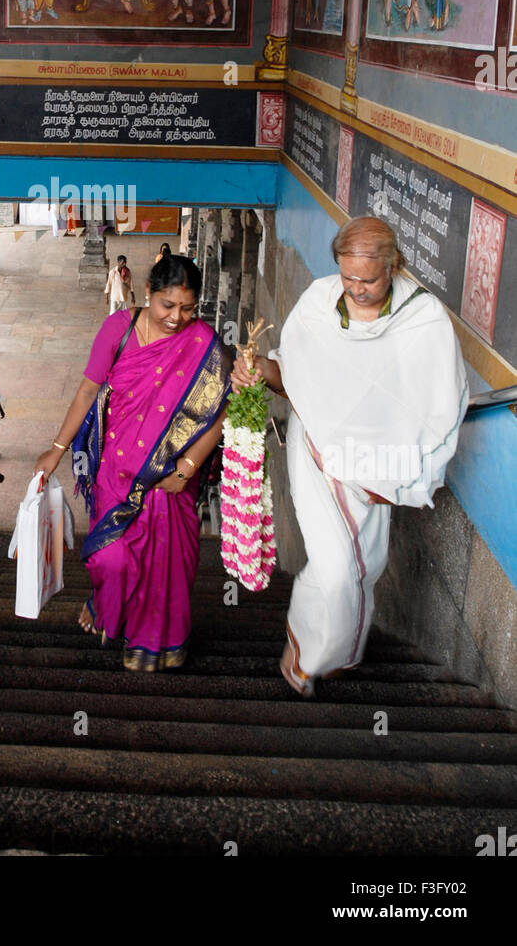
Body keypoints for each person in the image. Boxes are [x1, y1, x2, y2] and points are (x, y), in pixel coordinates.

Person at [230, 217, 468, 697]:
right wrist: (255, 370)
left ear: (394, 266)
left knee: (366, 565)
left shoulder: (424, 321)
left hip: (379, 466)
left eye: (369, 279)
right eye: (349, 277)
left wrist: (409, 474)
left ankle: (343, 653)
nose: (357, 289)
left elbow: (444, 407)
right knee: (338, 567)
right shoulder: (319, 303)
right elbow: (288, 375)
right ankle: (309, 655)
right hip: (316, 451)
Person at [36, 253, 231, 672]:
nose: (177, 317)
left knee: (165, 564)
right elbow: (88, 393)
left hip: (169, 479)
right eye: (168, 305)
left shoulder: (204, 345)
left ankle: (153, 643)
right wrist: (56, 448)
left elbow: (218, 417)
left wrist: (186, 471)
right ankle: (104, 602)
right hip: (116, 469)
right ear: (148, 293)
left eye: (188, 308)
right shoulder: (117, 329)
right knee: (111, 557)